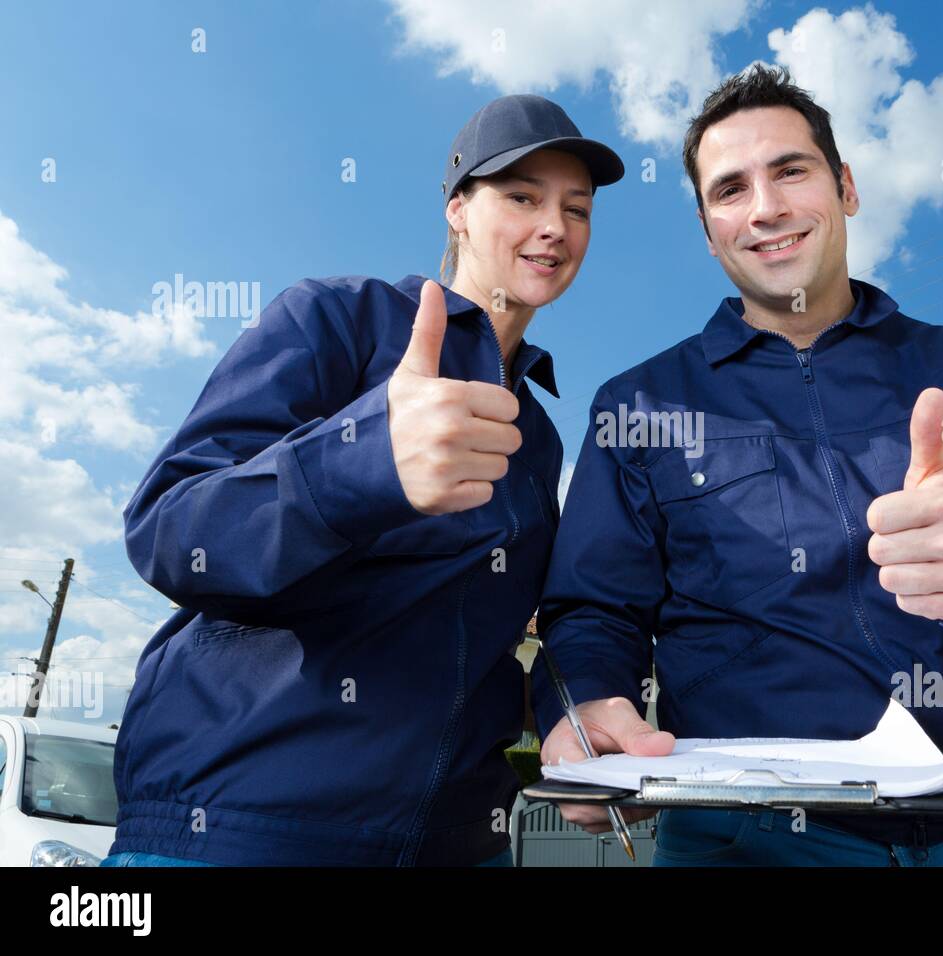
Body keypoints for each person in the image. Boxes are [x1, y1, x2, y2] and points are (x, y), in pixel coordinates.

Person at [532, 65, 943, 866]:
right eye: (731, 189)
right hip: (738, 839)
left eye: (790, 170)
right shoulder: (640, 403)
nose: (766, 208)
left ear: (847, 186)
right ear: (707, 225)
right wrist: (593, 700)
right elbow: (593, 607)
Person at [102, 94, 623, 866]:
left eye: (576, 209)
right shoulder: (336, 321)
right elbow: (171, 532)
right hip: (239, 831)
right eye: (521, 197)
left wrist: (571, 713)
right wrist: (363, 463)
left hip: (456, 847)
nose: (554, 226)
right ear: (458, 211)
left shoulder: (538, 439)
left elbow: (500, 638)